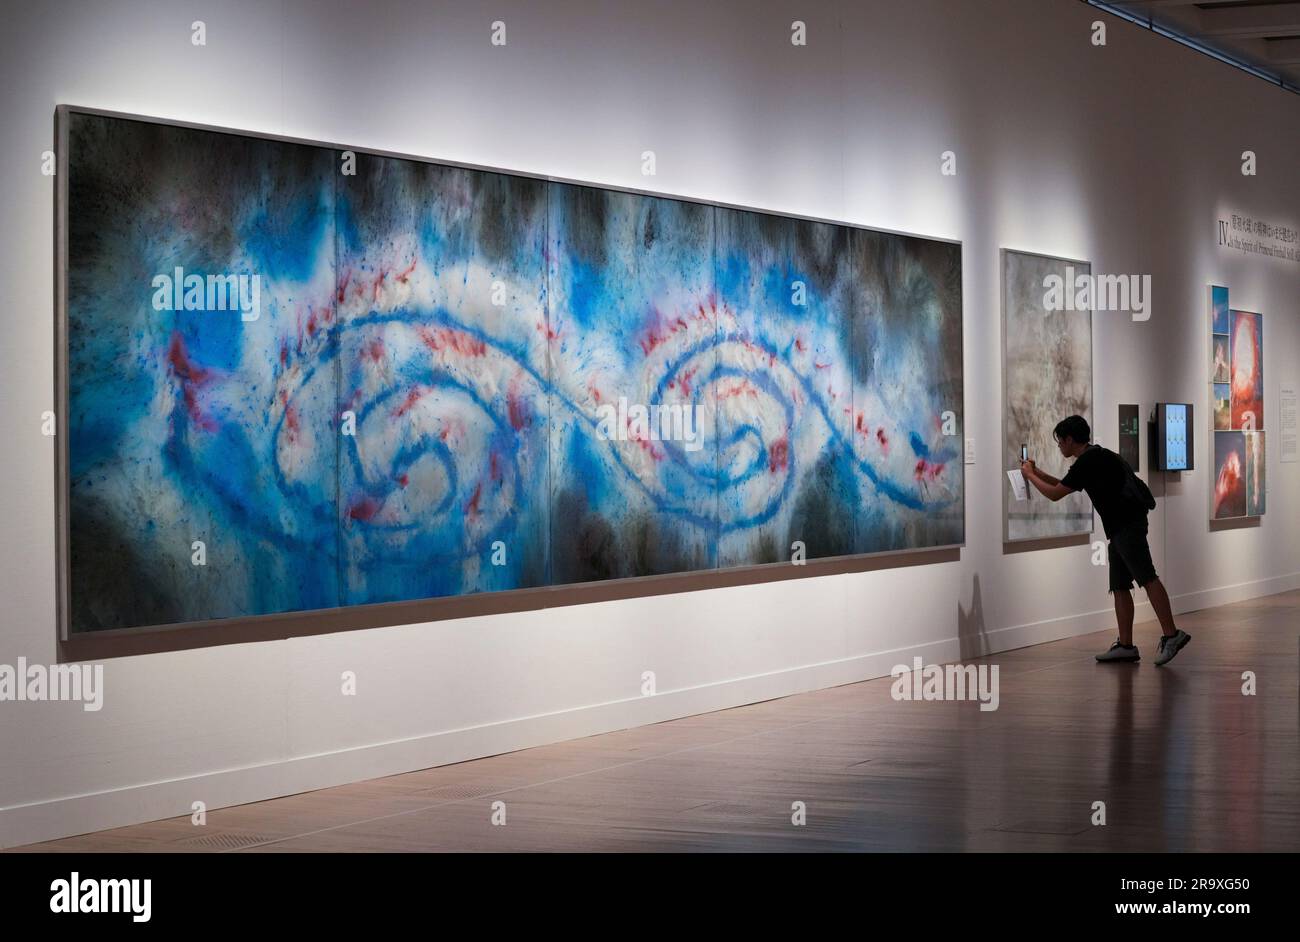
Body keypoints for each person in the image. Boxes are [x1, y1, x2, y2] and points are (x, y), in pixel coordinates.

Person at [1020, 415, 1191, 666]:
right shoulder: (1096, 455)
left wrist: (1029, 476)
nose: (1059, 447)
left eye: (1060, 442)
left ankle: (1172, 635)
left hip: (1126, 526)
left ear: (1069, 439)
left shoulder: (1088, 461)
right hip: (1122, 527)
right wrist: (1035, 472)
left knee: (1147, 577)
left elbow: (1055, 495)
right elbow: (1064, 484)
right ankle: (1126, 645)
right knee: (1120, 584)